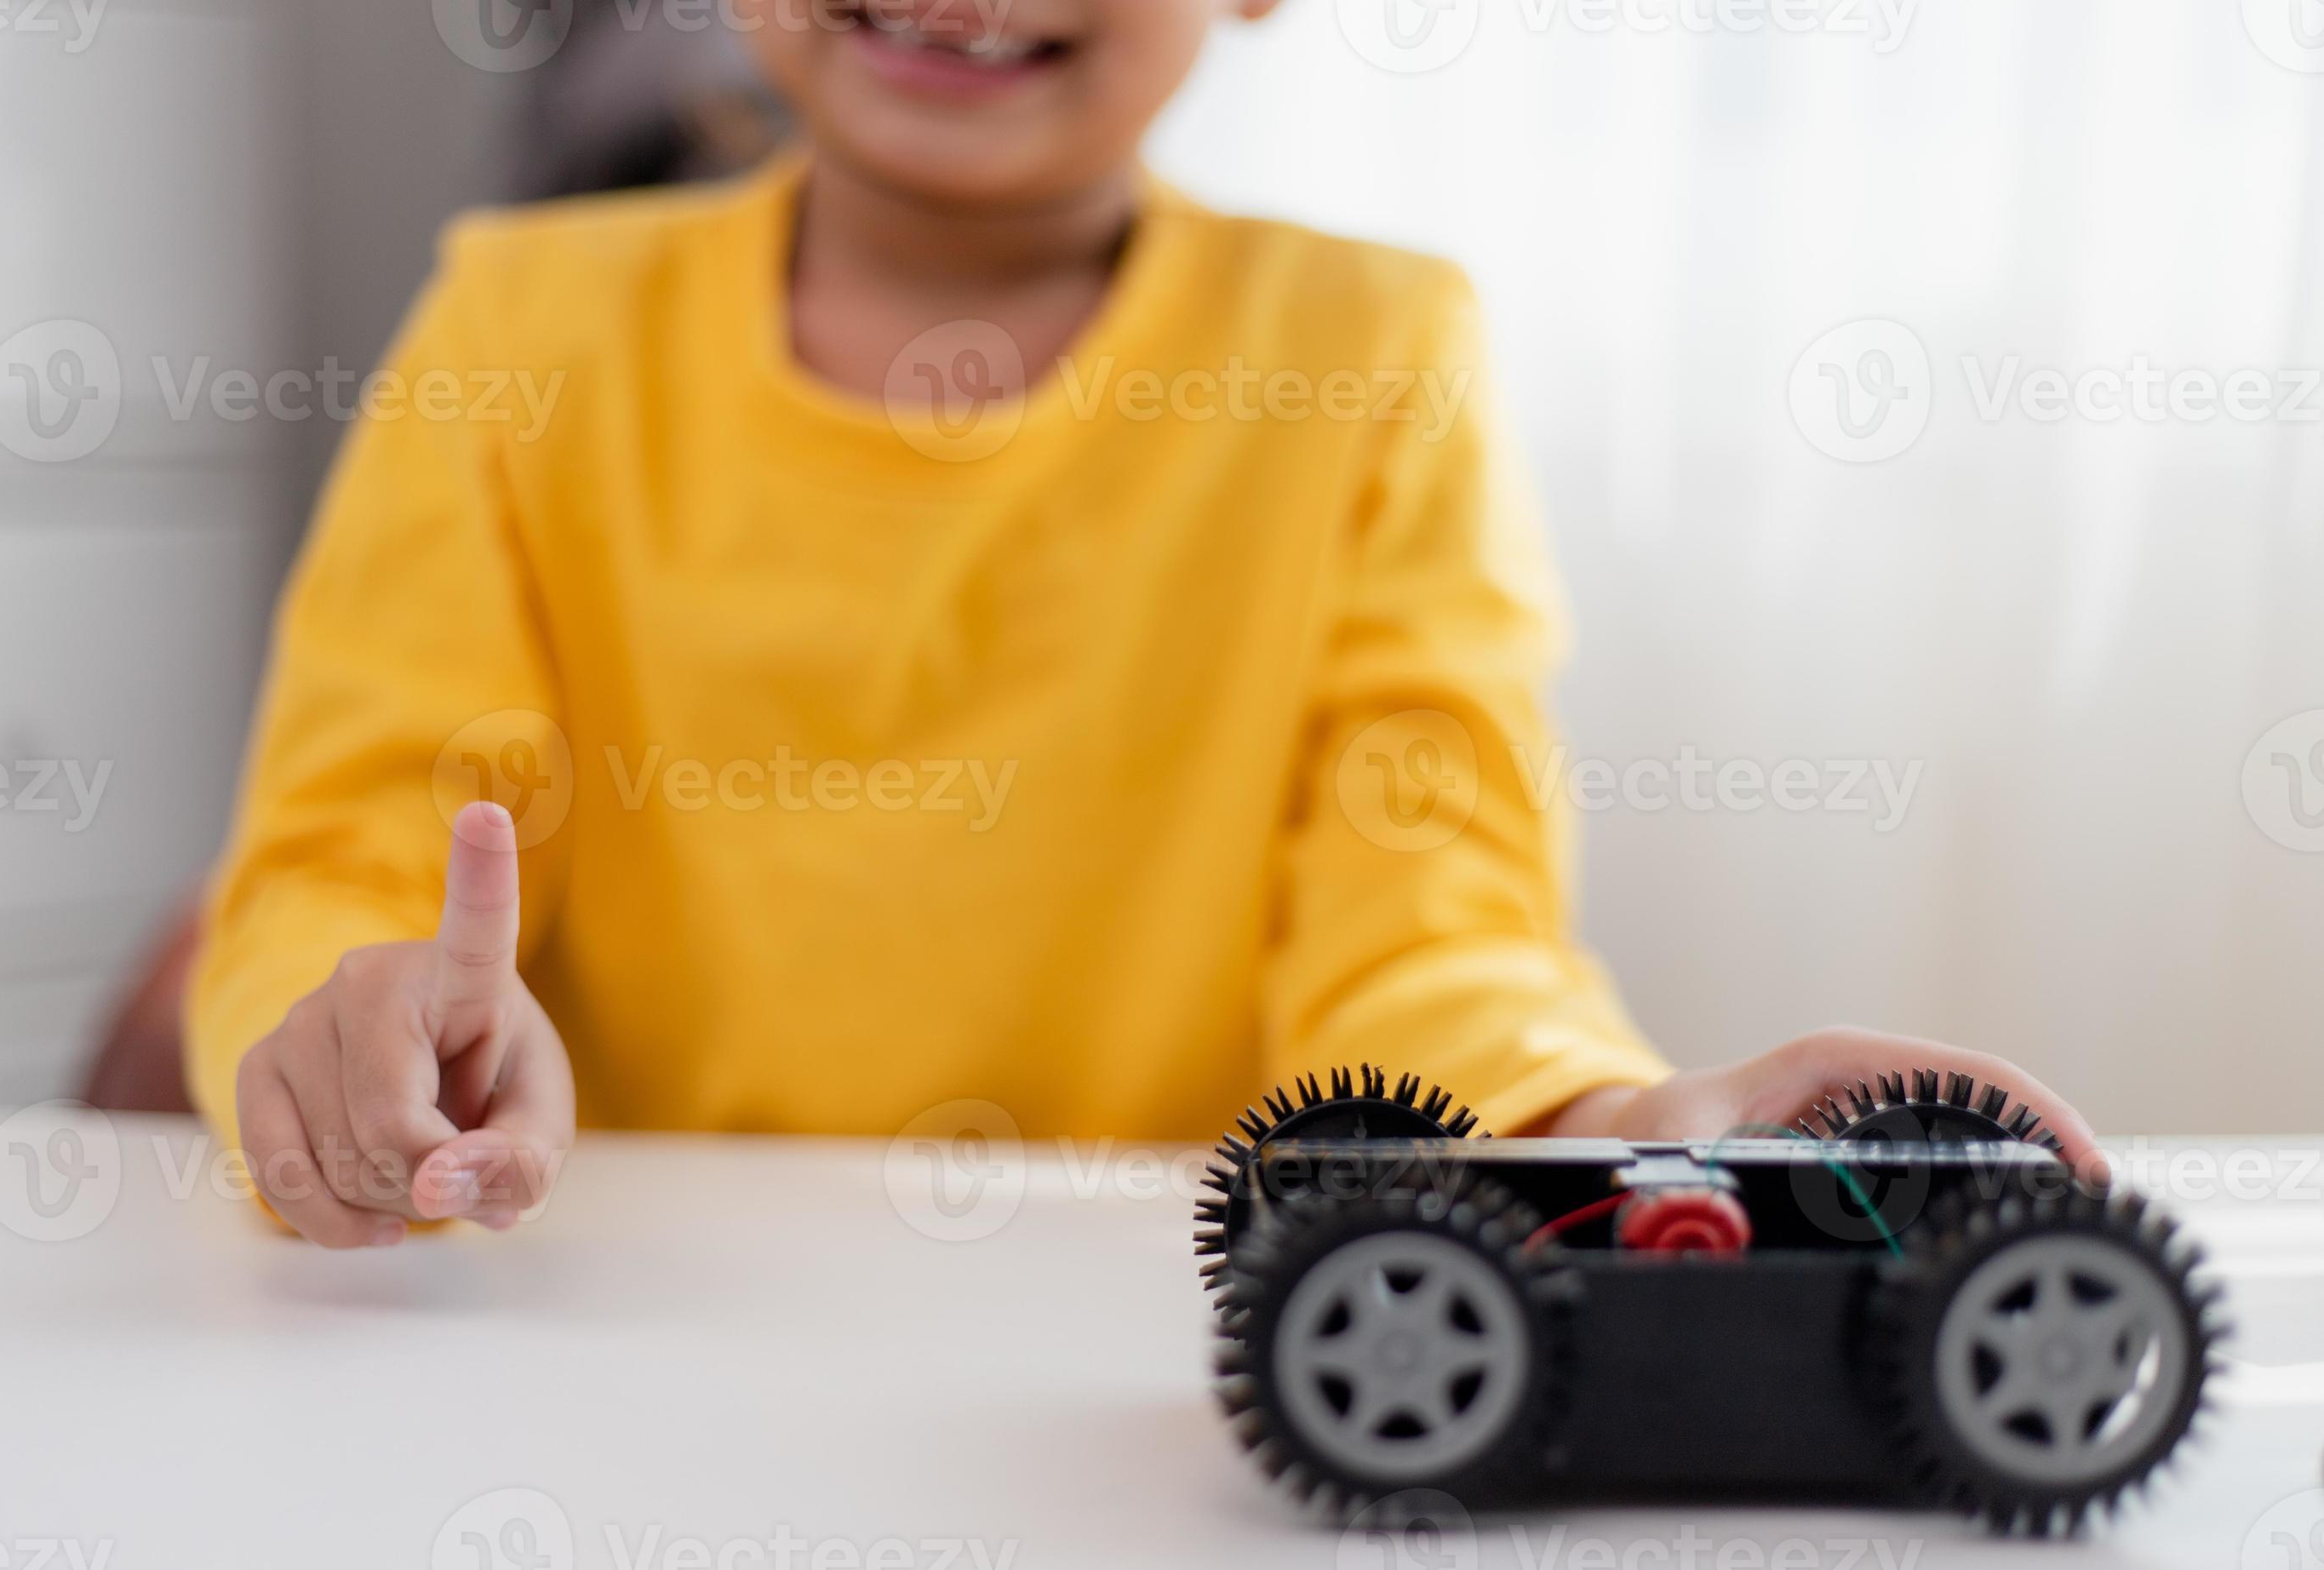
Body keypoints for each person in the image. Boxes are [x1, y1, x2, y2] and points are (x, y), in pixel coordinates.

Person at [187, 0, 2098, 1247]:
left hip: (1128, 1367)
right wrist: (350, 1020)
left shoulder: (1369, 355)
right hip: (588, 1299)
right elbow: (361, 842)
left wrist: (1605, 1117)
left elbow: (1423, 912)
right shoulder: (519, 329)